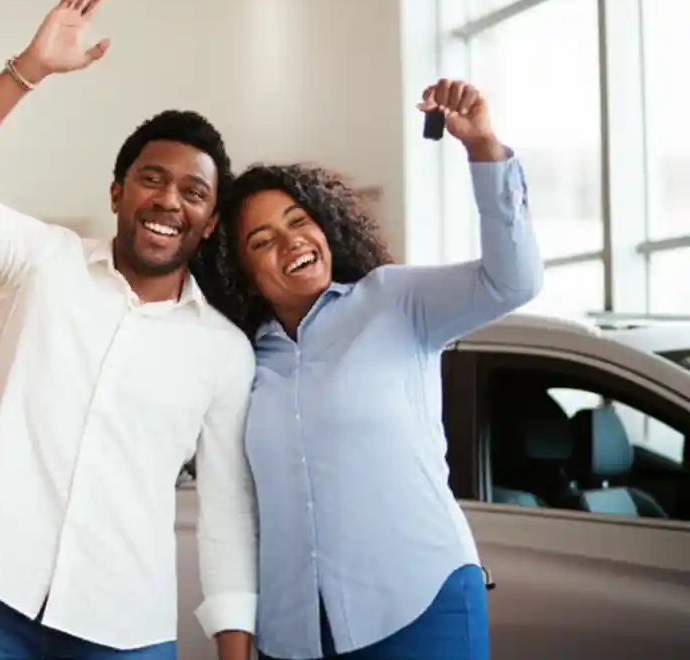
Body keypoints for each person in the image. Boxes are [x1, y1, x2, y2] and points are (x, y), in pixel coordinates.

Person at [0, 0, 258, 660]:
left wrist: (235, 649)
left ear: (210, 222)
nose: (169, 200)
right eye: (152, 179)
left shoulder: (223, 352)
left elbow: (228, 515)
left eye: (193, 192)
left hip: (123, 627)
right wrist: (28, 70)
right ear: (118, 192)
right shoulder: (42, 263)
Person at [201, 79, 543, 659]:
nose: (291, 242)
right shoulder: (242, 358)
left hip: (419, 602)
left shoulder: (393, 300)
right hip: (295, 631)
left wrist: (482, 147)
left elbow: (513, 282)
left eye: (298, 220)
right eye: (262, 240)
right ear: (244, 274)